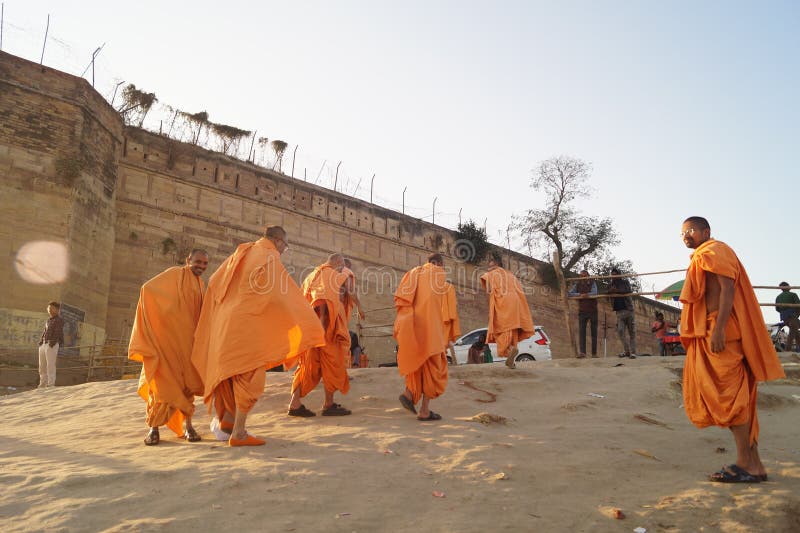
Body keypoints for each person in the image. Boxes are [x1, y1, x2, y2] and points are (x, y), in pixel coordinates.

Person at [191, 226, 325, 446]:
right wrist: (303, 320)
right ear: (277, 240)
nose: (284, 250)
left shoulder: (242, 251)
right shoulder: (268, 255)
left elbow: (215, 280)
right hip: (247, 323)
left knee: (230, 374)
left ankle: (227, 422)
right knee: (250, 375)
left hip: (226, 321)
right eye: (285, 245)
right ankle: (239, 433)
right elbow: (282, 294)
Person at [678, 216, 785, 483]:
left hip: (721, 333)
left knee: (731, 399)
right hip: (711, 331)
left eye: (691, 230)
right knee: (737, 399)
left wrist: (719, 329)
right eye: (682, 233)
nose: (686, 235)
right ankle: (755, 465)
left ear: (706, 231)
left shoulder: (716, 251)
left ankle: (745, 464)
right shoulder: (702, 256)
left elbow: (728, 290)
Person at [128, 249, 209, 446]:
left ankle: (188, 426)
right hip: (167, 343)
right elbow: (148, 289)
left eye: (205, 264)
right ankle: (153, 429)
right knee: (161, 384)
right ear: (188, 259)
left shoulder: (200, 284)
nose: (201, 266)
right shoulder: (175, 274)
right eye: (198, 261)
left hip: (188, 344)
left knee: (186, 385)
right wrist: (164, 319)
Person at [287, 253, 353, 417]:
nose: (341, 270)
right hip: (323, 332)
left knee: (308, 367)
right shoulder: (329, 274)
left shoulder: (311, 275)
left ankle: (297, 403)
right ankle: (326, 404)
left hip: (310, 330)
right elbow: (321, 301)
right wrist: (322, 330)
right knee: (331, 365)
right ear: (337, 263)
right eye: (342, 266)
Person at [395, 253, 449, 420]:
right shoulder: (439, 274)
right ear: (439, 263)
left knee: (418, 365)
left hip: (413, 327)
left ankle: (409, 394)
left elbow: (402, 300)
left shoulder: (413, 273)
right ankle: (424, 410)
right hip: (431, 331)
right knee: (434, 370)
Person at [480, 252, 535, 369]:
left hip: (503, 303)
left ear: (495, 264)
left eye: (490, 264)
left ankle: (510, 351)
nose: (488, 267)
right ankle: (511, 360)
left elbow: (488, 289)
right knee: (511, 330)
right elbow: (520, 292)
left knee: (499, 329)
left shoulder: (492, 273)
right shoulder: (511, 275)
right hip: (515, 304)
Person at [568, 270, 598, 358]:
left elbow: (595, 292)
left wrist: (586, 294)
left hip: (593, 311)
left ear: (588, 275)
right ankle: (582, 353)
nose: (583, 277)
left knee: (594, 333)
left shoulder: (592, 282)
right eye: (581, 276)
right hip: (582, 311)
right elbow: (570, 293)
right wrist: (580, 294)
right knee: (582, 333)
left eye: (584, 275)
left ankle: (594, 353)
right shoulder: (578, 283)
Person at [608, 267, 637, 358]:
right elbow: (606, 291)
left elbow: (627, 290)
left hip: (628, 310)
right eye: (612, 274)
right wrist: (610, 291)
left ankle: (633, 352)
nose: (613, 276)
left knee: (631, 332)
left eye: (615, 274)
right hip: (619, 312)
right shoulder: (611, 284)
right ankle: (626, 351)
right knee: (620, 331)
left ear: (619, 274)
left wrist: (616, 291)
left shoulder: (625, 282)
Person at [38, 301, 64, 388]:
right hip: (44, 344)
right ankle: (42, 383)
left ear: (57, 310)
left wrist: (52, 343)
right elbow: (45, 331)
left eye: (52, 308)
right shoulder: (48, 320)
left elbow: (57, 332)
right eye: (49, 308)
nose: (49, 310)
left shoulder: (59, 320)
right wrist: (41, 342)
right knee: (42, 366)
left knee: (50, 364)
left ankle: (51, 384)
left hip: (51, 344)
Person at [775, 281, 800, 352]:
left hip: (784, 317)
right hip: (793, 315)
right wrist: (797, 314)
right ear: (788, 286)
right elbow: (798, 305)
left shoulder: (778, 297)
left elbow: (777, 309)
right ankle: (787, 351)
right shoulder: (793, 294)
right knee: (792, 333)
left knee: (796, 333)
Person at [442, 280, 461, 364]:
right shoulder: (448, 287)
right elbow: (453, 304)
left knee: (444, 341)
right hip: (445, 318)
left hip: (441, 318)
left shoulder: (441, 287)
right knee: (446, 340)